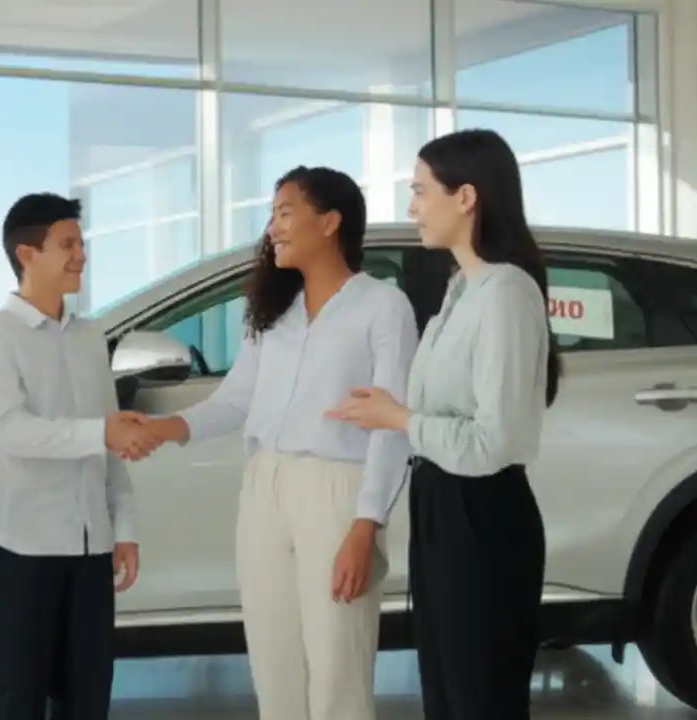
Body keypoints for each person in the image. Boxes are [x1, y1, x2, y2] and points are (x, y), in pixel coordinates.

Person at [139, 166, 419, 719]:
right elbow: (237, 401)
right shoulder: (272, 315)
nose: (273, 228)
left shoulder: (383, 307)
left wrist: (366, 525)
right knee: (274, 661)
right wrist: (162, 429)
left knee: (338, 661)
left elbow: (392, 427)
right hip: (265, 485)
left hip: (338, 490)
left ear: (330, 222)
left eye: (285, 213)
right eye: (272, 216)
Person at [327, 128, 559, 720]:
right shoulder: (463, 288)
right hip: (442, 506)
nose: (411, 207)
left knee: (479, 695)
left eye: (420, 190)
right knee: (448, 694)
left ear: (466, 197)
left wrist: (398, 417)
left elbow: (496, 440)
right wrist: (390, 409)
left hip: (481, 515)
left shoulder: (506, 294)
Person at [0, 192, 152, 720]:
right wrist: (101, 434)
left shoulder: (91, 337)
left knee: (87, 699)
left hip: (90, 546)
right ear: (27, 254)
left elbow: (107, 434)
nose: (81, 255)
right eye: (67, 244)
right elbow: (10, 433)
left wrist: (126, 526)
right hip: (20, 547)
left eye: (81, 243)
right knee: (18, 700)